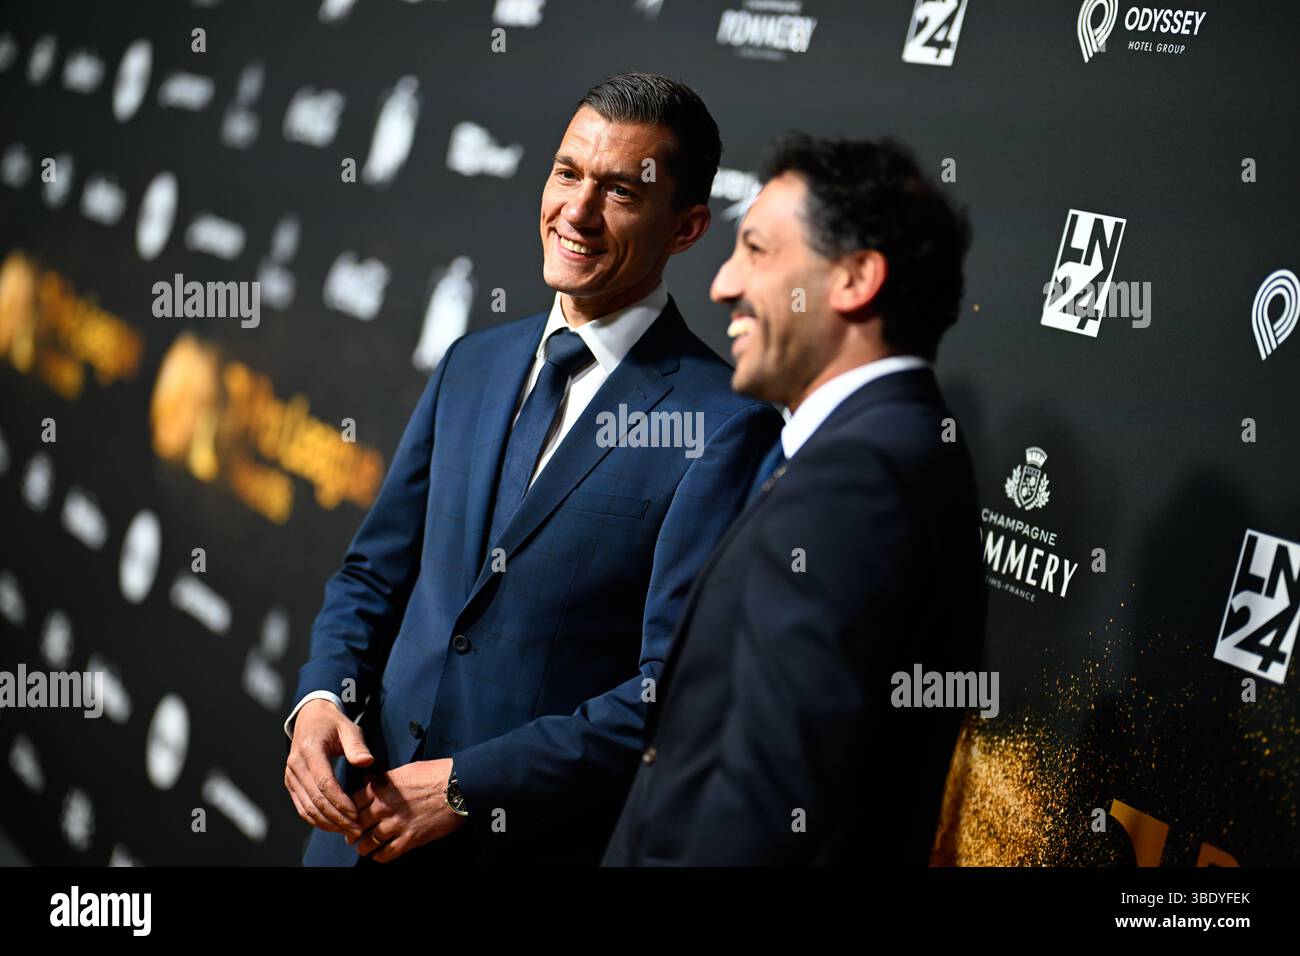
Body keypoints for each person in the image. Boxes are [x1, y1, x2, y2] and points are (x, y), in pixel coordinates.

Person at [283, 72, 782, 866]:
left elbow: (674, 691)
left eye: (620, 191)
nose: (576, 212)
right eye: (567, 172)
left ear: (685, 228)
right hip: (353, 835)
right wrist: (319, 702)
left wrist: (463, 787)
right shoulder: (471, 362)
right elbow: (373, 576)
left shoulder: (725, 424)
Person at [604, 134, 986, 865]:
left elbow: (773, 804)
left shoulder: (858, 478)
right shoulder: (899, 444)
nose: (721, 284)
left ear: (853, 279)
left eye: (756, 250)